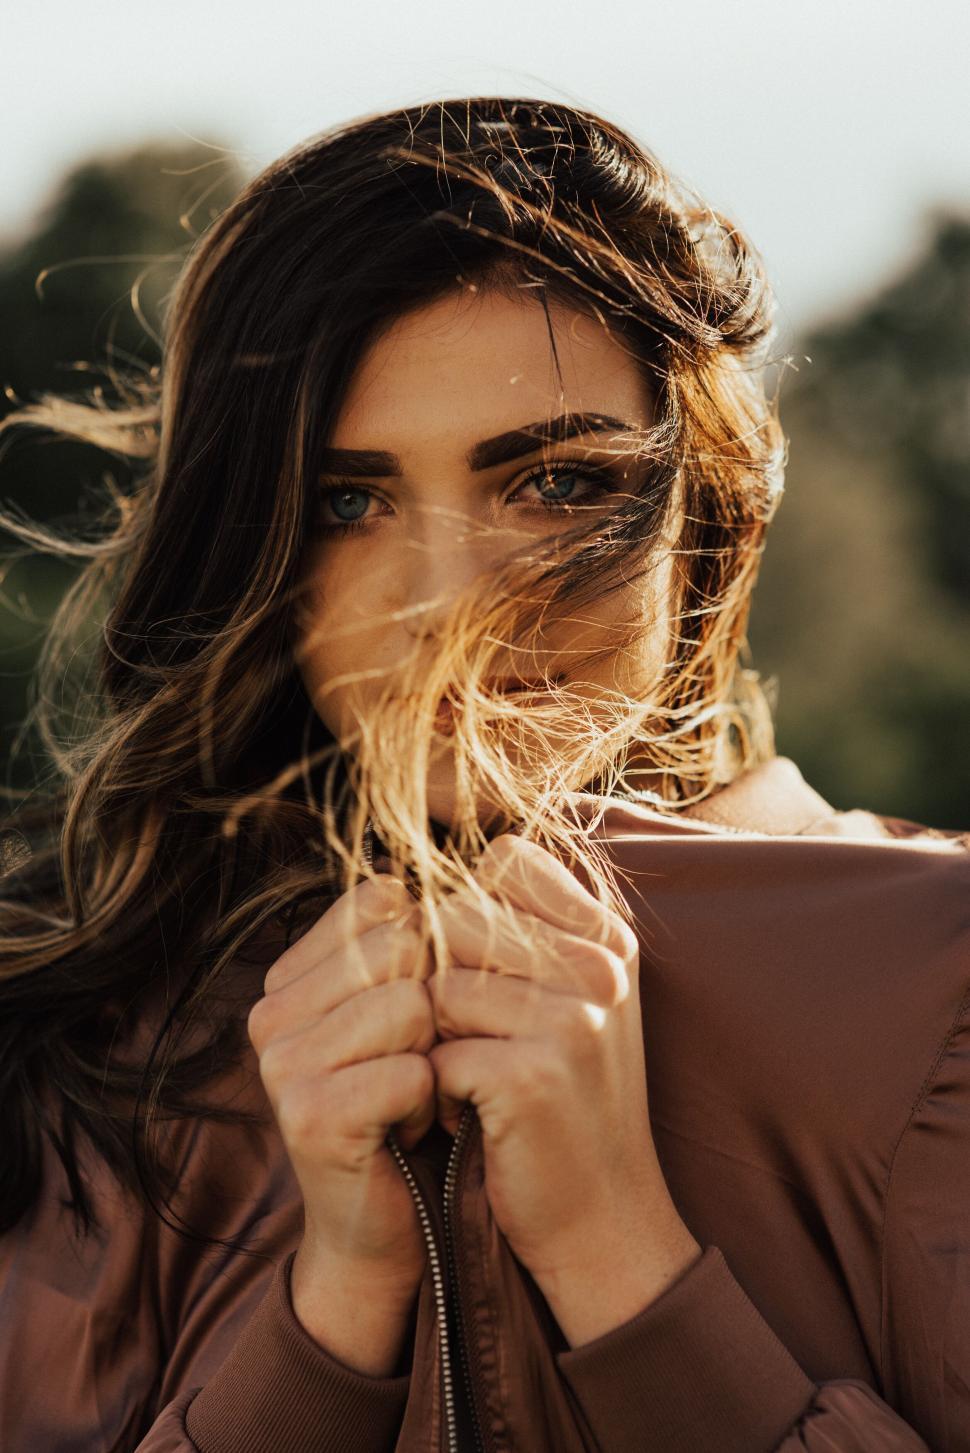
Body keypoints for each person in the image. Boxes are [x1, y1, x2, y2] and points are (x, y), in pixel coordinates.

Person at [0, 95, 967, 1453]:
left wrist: (618, 1256)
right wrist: (334, 1308)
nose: (449, 603)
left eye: (557, 484)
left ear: (709, 507)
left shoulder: (936, 982)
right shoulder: (89, 1048)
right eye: (347, 501)